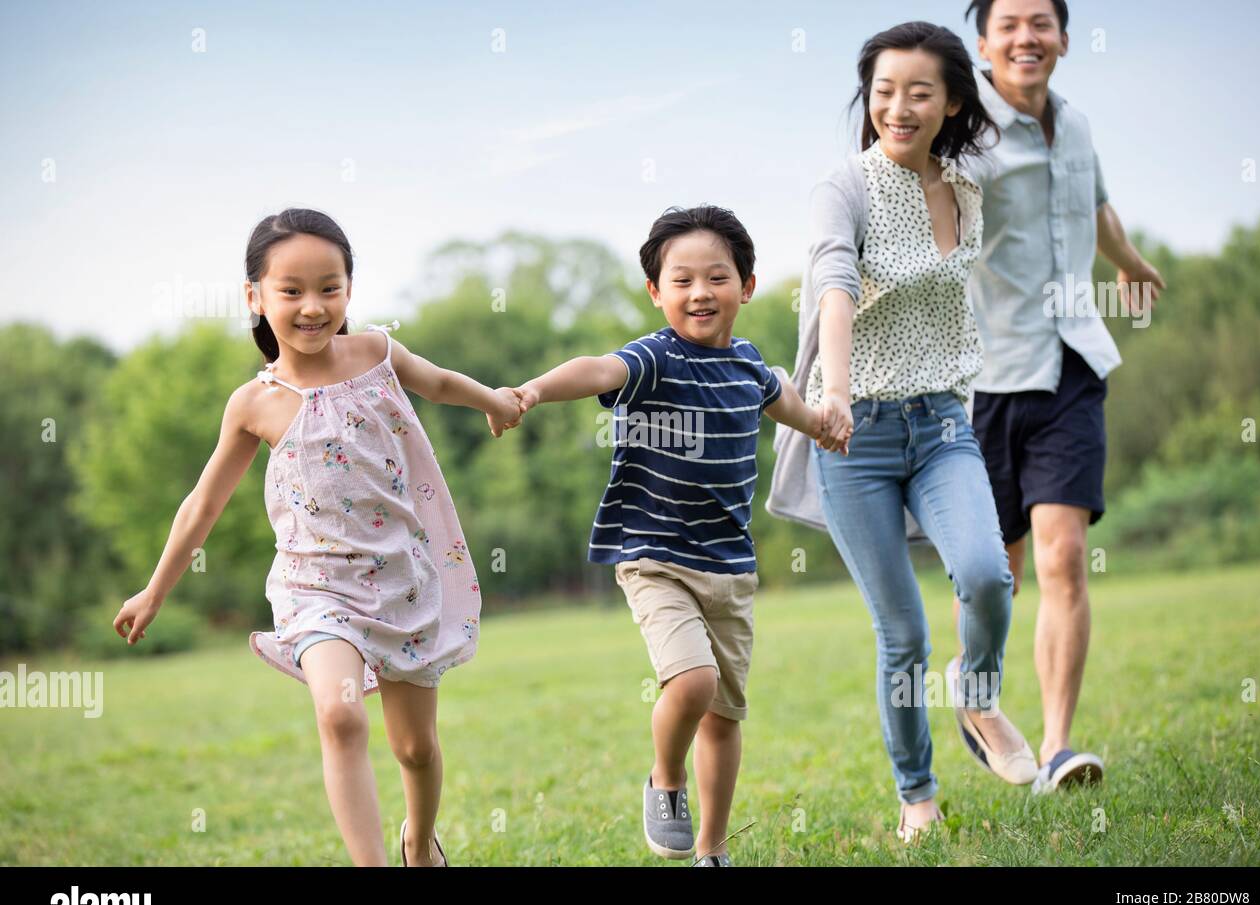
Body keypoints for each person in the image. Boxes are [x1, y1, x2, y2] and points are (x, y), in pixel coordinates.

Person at [112, 208, 524, 866]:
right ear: (255, 297)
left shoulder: (376, 354)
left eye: (329, 288)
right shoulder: (255, 403)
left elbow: (441, 383)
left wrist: (494, 402)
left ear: (349, 290)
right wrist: (155, 590)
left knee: (415, 749)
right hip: (316, 589)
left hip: (402, 580)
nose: (312, 307)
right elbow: (202, 504)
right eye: (292, 291)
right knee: (340, 716)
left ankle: (419, 839)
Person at [772, 20, 1038, 845]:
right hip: (850, 433)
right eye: (884, 91)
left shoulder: (965, 187)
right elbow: (835, 286)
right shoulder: (842, 189)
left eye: (919, 91)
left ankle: (979, 692)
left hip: (941, 419)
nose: (899, 106)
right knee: (903, 632)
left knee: (989, 576)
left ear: (951, 100)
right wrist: (838, 394)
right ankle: (917, 794)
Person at [512, 205, 826, 865]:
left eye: (717, 277)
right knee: (692, 684)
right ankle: (665, 778)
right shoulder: (654, 359)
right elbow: (597, 370)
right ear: (656, 292)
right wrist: (533, 392)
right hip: (655, 558)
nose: (700, 293)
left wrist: (825, 425)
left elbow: (787, 400)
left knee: (725, 714)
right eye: (681, 281)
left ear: (747, 284)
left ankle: (711, 849)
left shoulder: (749, 366)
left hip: (731, 567)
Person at [958, 0, 1166, 793]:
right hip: (983, 378)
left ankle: (1054, 749)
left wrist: (1132, 263)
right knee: (991, 573)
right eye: (1008, 23)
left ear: (1064, 40)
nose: (1026, 37)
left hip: (1073, 362)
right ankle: (976, 698)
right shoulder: (962, 129)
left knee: (1065, 557)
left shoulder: (1075, 125)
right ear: (983, 43)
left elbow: (1096, 204)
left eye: (1040, 22)